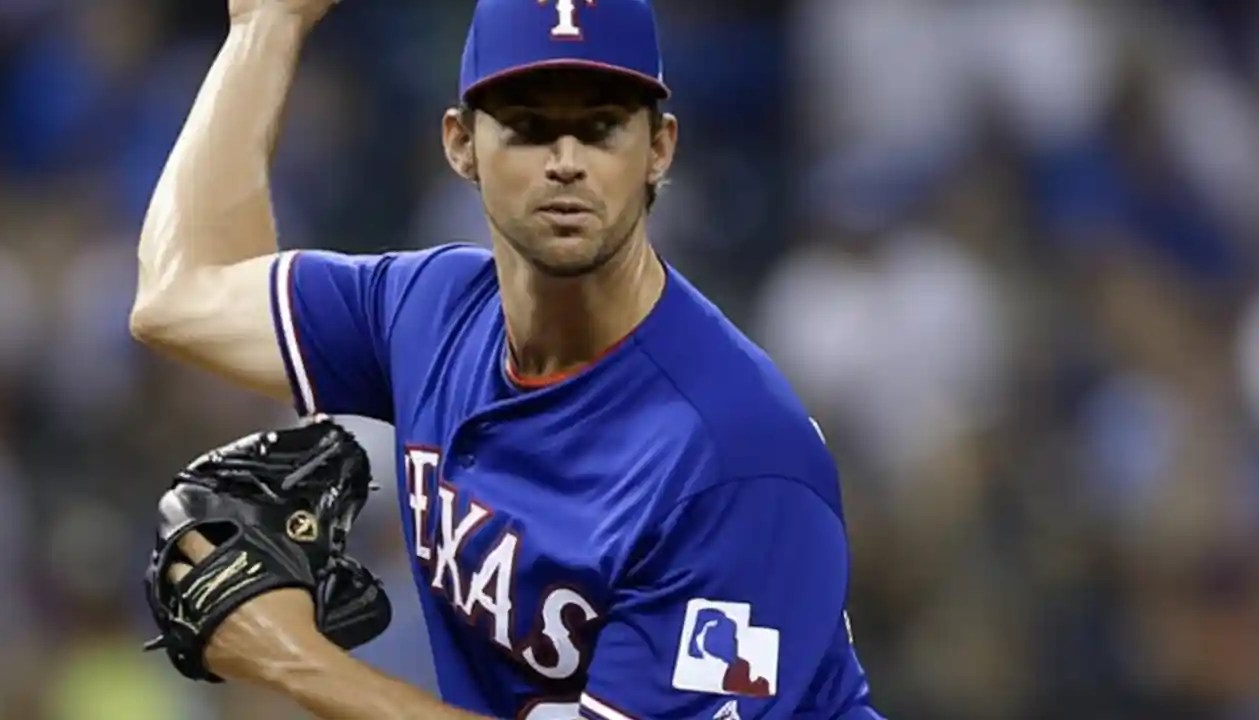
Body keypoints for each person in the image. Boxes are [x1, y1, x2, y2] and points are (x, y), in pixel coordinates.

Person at [129, 0, 885, 717]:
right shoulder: (428, 312)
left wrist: (292, 657)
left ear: (659, 148)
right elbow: (181, 294)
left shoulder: (733, 456)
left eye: (600, 127)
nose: (565, 161)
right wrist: (267, 25)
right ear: (461, 143)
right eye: (527, 127)